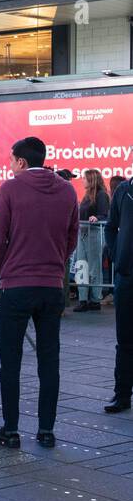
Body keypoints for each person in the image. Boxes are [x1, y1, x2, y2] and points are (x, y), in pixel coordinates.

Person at [0, 137, 78, 448]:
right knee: (49, 358)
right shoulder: (67, 190)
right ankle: (46, 430)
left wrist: (4, 271)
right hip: (51, 285)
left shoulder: (10, 189)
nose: (10, 166)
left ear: (21, 162)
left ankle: (10, 429)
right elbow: (71, 239)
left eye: (11, 160)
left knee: (10, 359)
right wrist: (55, 264)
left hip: (16, 284)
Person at [106, 174, 133, 413]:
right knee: (124, 340)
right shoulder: (124, 190)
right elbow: (111, 226)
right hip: (127, 276)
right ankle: (122, 394)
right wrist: (118, 255)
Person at [75, 169, 110, 312]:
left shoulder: (101, 195)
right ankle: (83, 299)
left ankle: (95, 299)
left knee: (94, 267)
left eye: (84, 178)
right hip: (82, 232)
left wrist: (97, 218)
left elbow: (105, 215)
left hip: (94, 233)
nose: (82, 180)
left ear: (91, 179)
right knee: (81, 265)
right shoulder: (86, 196)